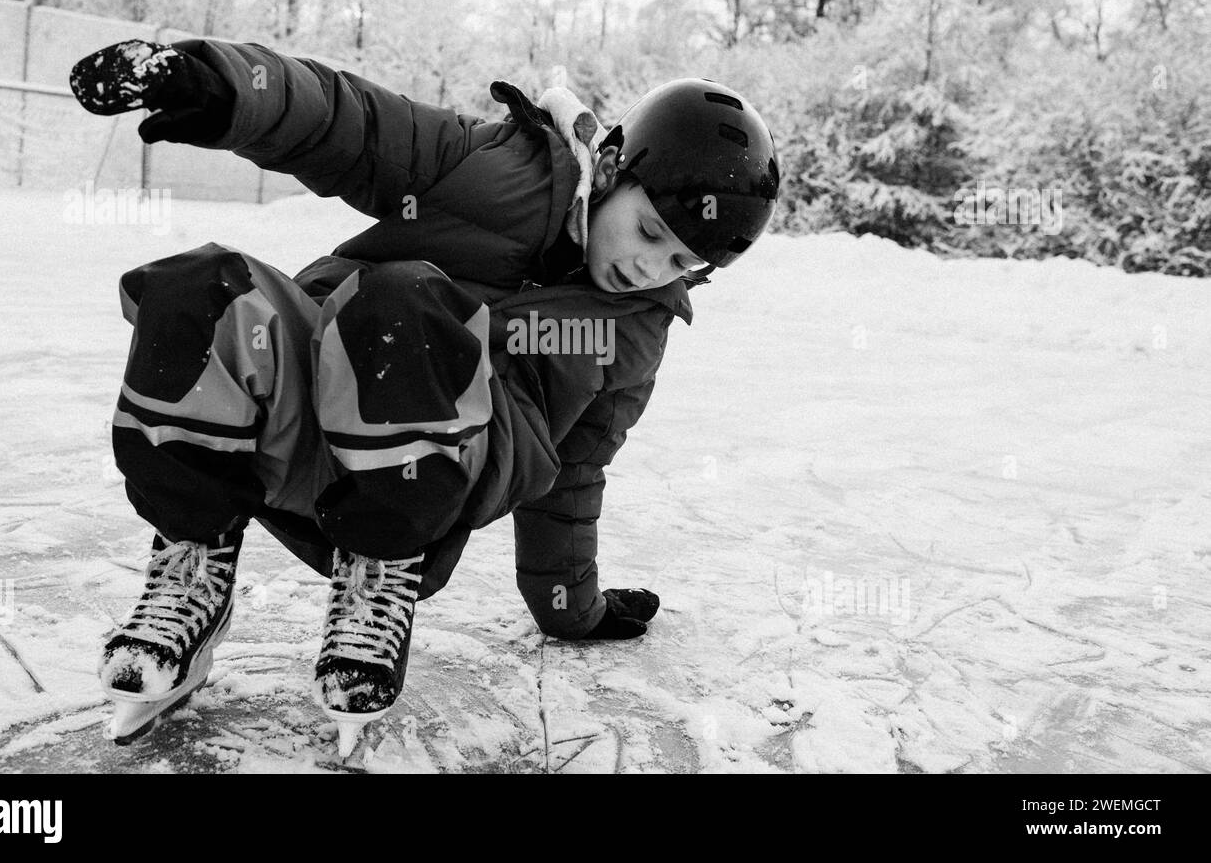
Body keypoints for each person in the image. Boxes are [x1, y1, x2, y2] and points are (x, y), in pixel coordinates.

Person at [69, 37, 780, 748]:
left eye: (682, 263)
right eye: (650, 231)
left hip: (438, 478)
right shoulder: (493, 167)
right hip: (310, 419)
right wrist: (229, 88)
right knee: (205, 290)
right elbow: (356, 127)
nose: (647, 268)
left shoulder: (635, 334)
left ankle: (379, 576)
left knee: (407, 299)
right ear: (616, 167)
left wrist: (574, 609)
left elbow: (575, 472)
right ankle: (191, 567)